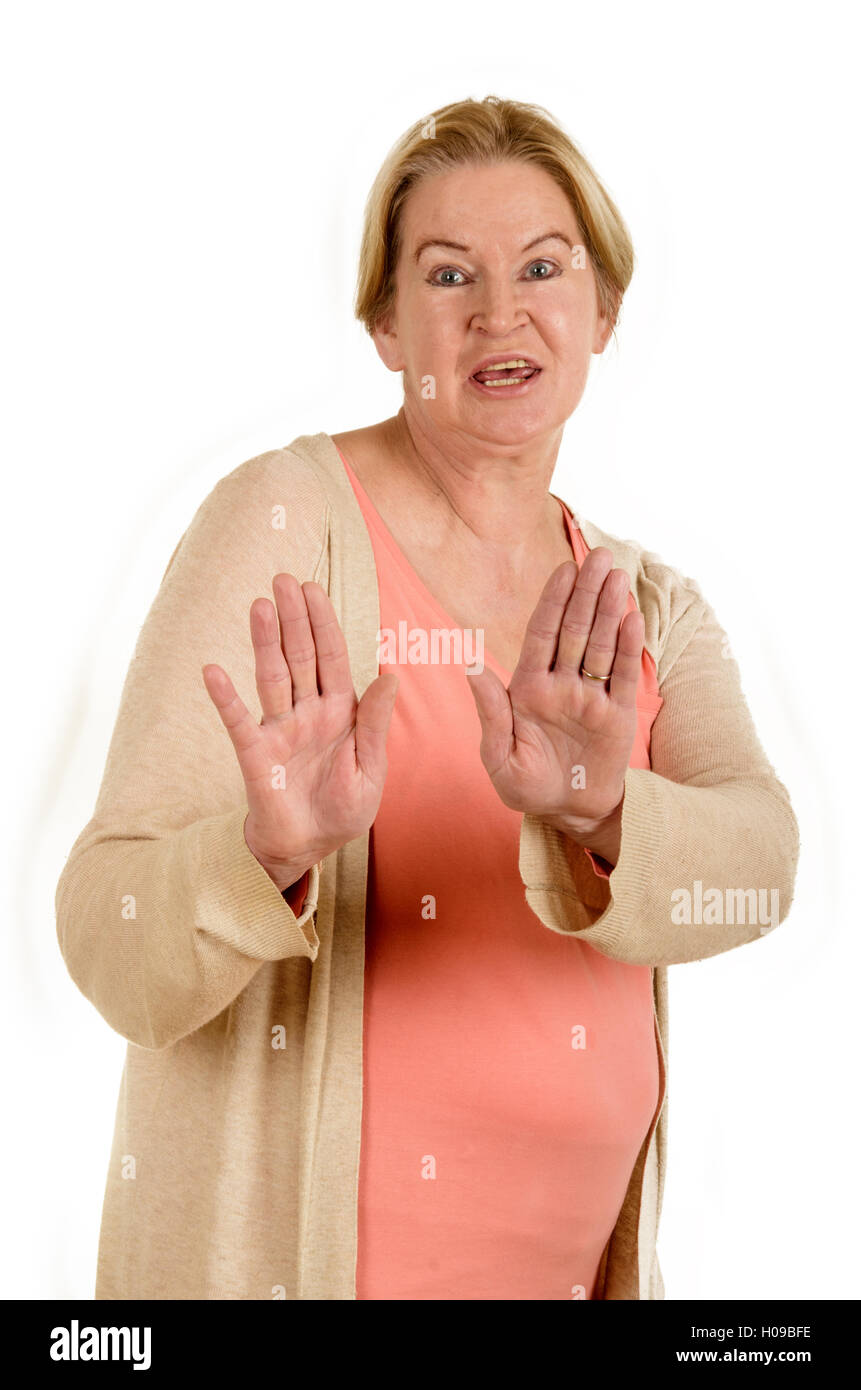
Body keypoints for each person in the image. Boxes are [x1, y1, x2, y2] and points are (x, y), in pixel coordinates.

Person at [55, 94, 799, 1300]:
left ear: (603, 309)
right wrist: (263, 856)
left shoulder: (648, 604)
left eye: (543, 267)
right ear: (387, 324)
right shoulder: (286, 525)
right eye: (449, 275)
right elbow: (103, 936)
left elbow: (763, 866)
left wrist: (601, 806)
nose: (500, 313)